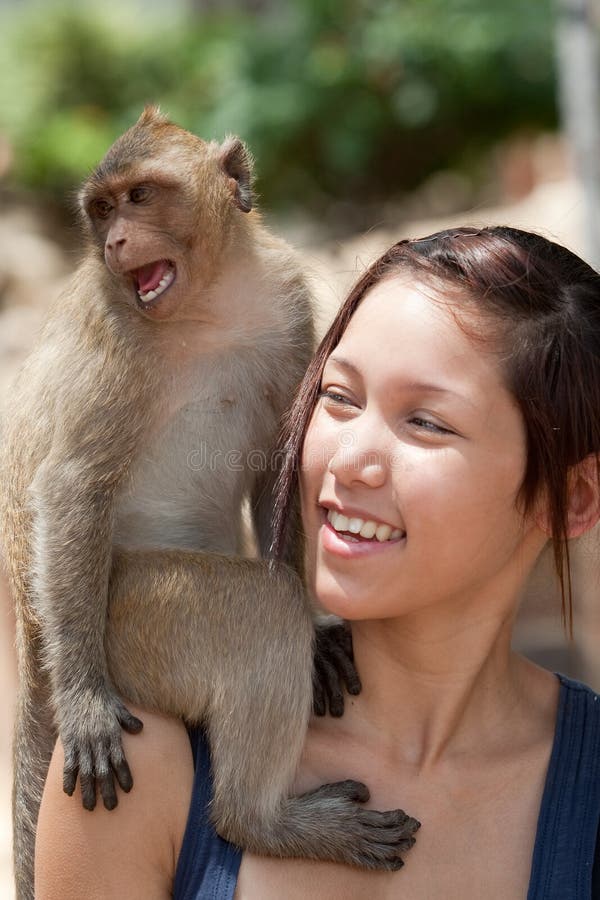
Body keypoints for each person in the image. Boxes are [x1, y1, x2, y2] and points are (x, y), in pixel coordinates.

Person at [35, 226, 600, 898]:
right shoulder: (145, 764)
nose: (345, 459)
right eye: (339, 398)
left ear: (570, 498)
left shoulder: (585, 786)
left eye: (426, 422)